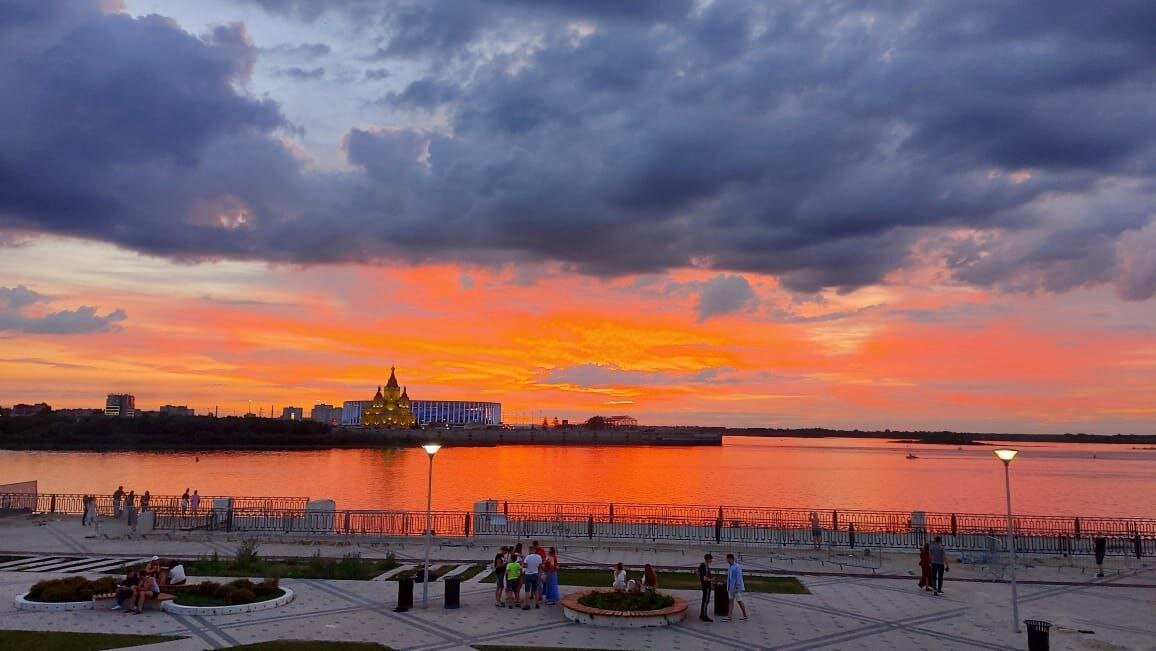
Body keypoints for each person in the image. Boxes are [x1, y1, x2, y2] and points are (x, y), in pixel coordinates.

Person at [724, 553, 748, 621]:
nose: (727, 560)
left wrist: (737, 587)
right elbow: (730, 577)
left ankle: (745, 615)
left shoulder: (737, 566)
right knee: (730, 601)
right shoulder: (730, 566)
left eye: (728, 559)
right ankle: (729, 616)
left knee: (739, 601)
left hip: (736, 588)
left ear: (731, 559)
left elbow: (738, 577)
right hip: (730, 588)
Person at [696, 554, 714, 622]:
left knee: (704, 600)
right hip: (706, 586)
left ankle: (702, 614)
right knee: (706, 601)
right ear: (707, 559)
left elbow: (696, 571)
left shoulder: (703, 565)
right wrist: (710, 580)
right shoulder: (704, 566)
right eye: (711, 559)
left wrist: (700, 579)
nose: (711, 560)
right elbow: (704, 577)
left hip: (705, 585)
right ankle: (704, 616)